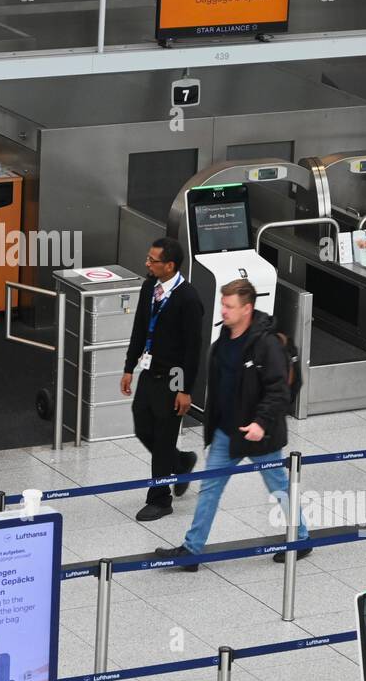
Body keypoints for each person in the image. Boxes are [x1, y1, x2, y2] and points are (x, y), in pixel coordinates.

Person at [154, 279, 310, 570]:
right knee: (210, 489)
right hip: (227, 432)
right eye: (223, 304)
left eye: (229, 306)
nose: (223, 311)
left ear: (247, 308)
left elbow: (279, 391)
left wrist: (261, 424)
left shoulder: (266, 345)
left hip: (258, 434)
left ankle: (300, 537)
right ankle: (192, 551)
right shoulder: (224, 337)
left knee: (277, 486)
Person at [120, 237, 204, 522]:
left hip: (172, 378)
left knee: (164, 437)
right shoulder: (149, 288)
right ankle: (181, 462)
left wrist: (184, 390)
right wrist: (129, 367)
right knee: (143, 425)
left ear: (169, 265)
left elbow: (192, 351)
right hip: (149, 371)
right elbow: (140, 329)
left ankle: (160, 498)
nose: (147, 263)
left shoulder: (188, 299)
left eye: (152, 260)